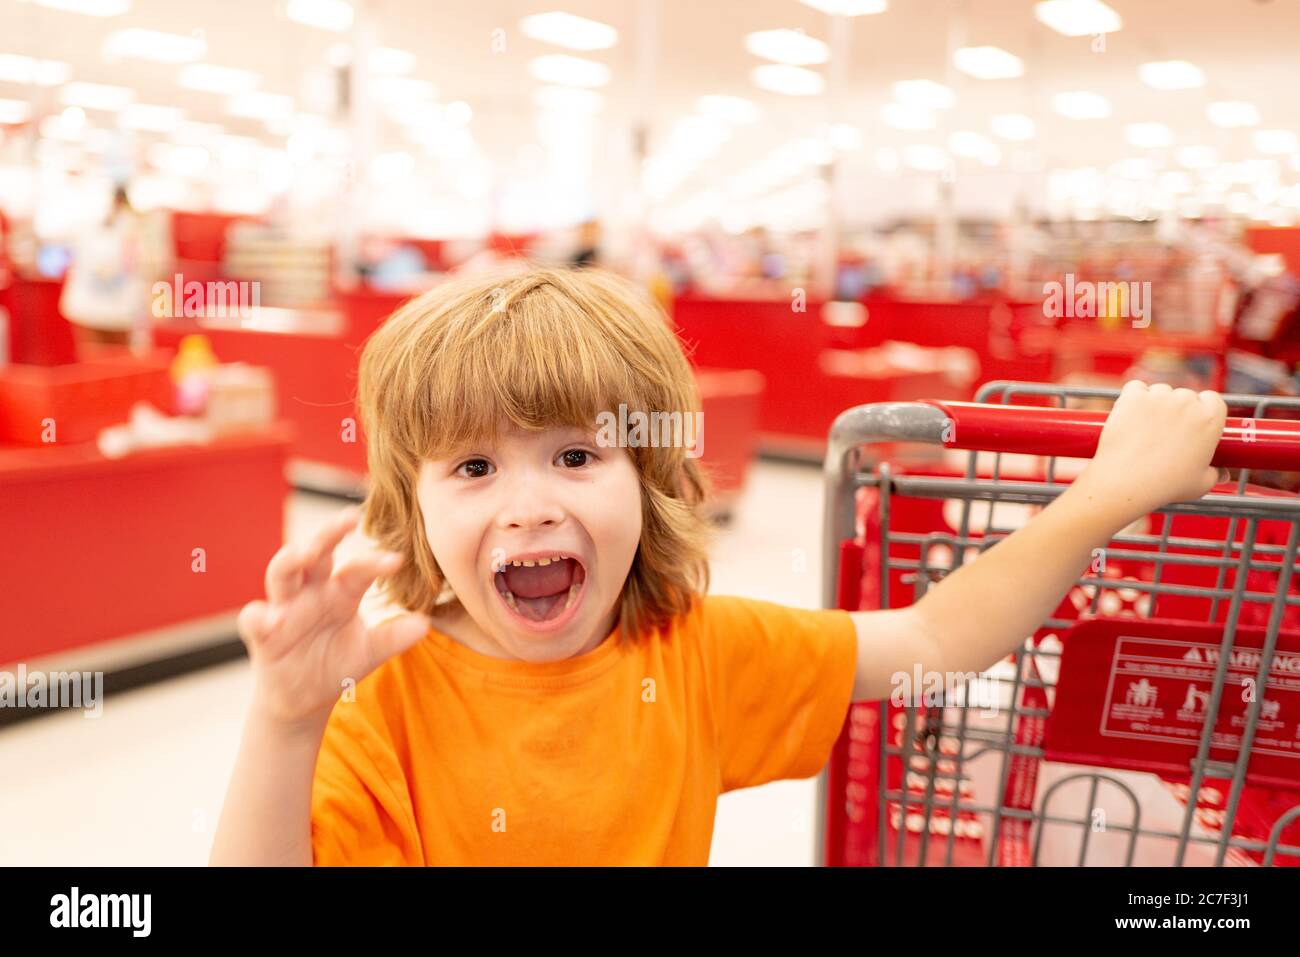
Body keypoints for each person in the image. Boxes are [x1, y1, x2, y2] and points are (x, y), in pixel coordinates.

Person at [209, 267, 1228, 866]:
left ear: (648, 478)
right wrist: (285, 720)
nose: (530, 504)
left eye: (576, 455)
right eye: (473, 466)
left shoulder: (691, 650)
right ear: (410, 508)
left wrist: (1108, 491)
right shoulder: (380, 704)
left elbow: (934, 638)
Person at [59, 185, 152, 352]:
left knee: (115, 363)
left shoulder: (132, 231)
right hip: (90, 310)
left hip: (120, 313)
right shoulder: (89, 225)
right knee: (95, 360)